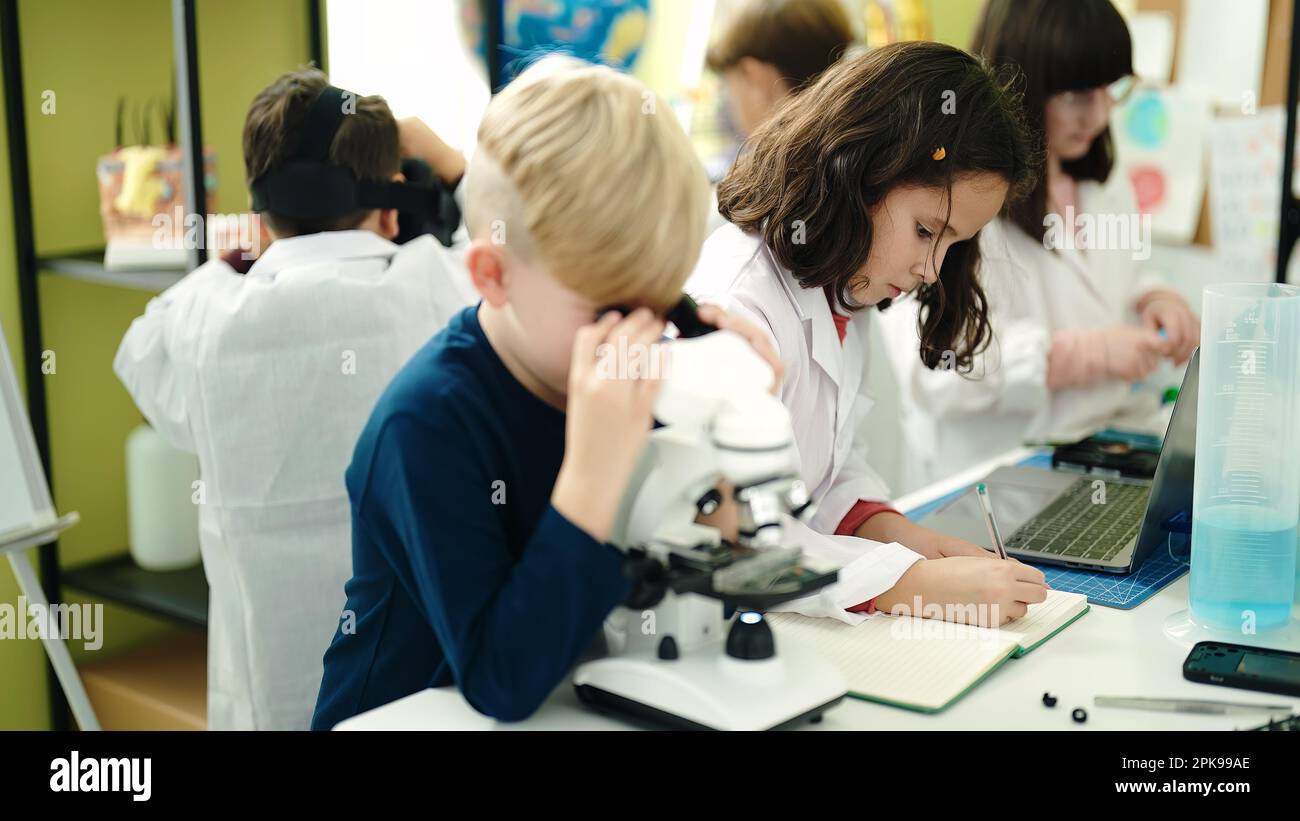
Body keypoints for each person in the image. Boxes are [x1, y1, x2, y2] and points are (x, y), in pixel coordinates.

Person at [113, 68, 474, 729]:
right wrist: (452, 167)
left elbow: (141, 346)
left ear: (261, 211)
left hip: (268, 691)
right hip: (418, 693)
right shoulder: (440, 293)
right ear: (391, 207)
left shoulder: (201, 322)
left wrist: (232, 260)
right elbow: (538, 255)